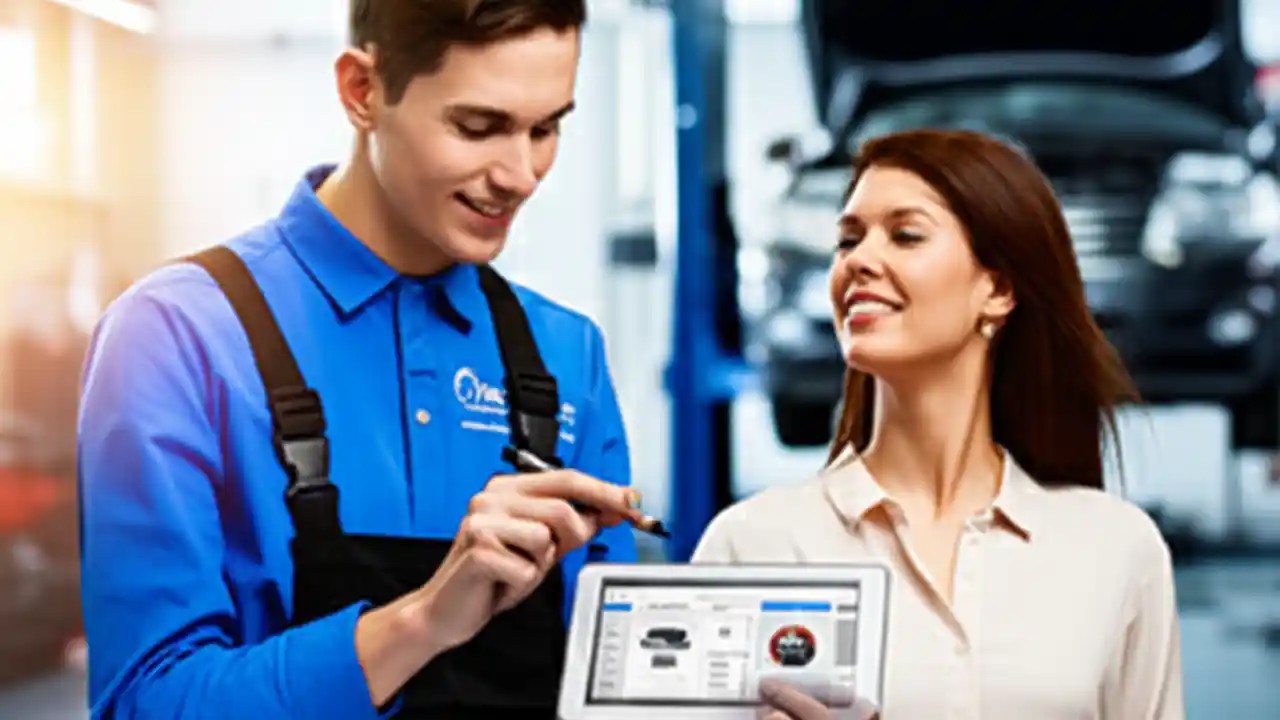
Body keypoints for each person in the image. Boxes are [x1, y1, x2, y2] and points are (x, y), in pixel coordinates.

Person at [76, 1, 645, 718]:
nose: (522, 174)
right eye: (479, 127)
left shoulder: (568, 356)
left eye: (546, 128)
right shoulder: (178, 336)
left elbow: (610, 688)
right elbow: (144, 703)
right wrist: (422, 621)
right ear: (362, 91)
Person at [694, 129, 1184, 719]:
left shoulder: (1115, 548)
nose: (859, 262)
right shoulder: (754, 544)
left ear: (997, 289)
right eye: (848, 240)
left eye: (905, 235)